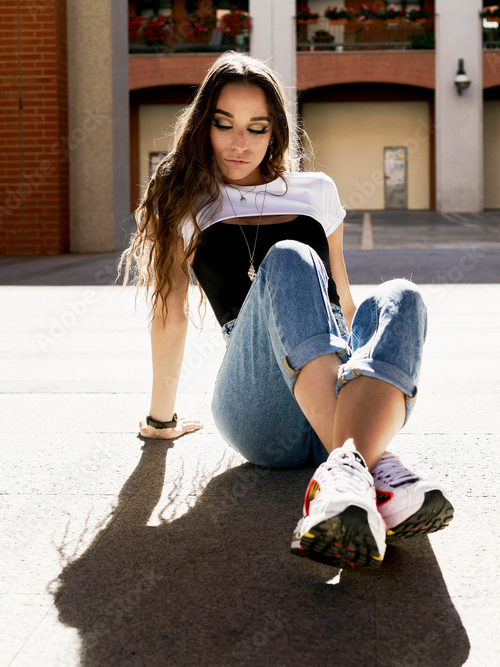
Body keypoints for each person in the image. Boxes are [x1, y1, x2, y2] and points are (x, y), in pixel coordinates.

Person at [121, 51, 452, 569]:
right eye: (224, 124)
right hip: (260, 410)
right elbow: (170, 314)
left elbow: (343, 299)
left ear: (275, 132)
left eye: (257, 128)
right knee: (291, 257)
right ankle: (375, 467)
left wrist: (366, 359)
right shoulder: (184, 199)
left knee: (401, 297)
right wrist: (161, 420)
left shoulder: (315, 192)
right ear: (203, 126)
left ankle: (346, 479)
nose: (240, 142)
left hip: (335, 380)